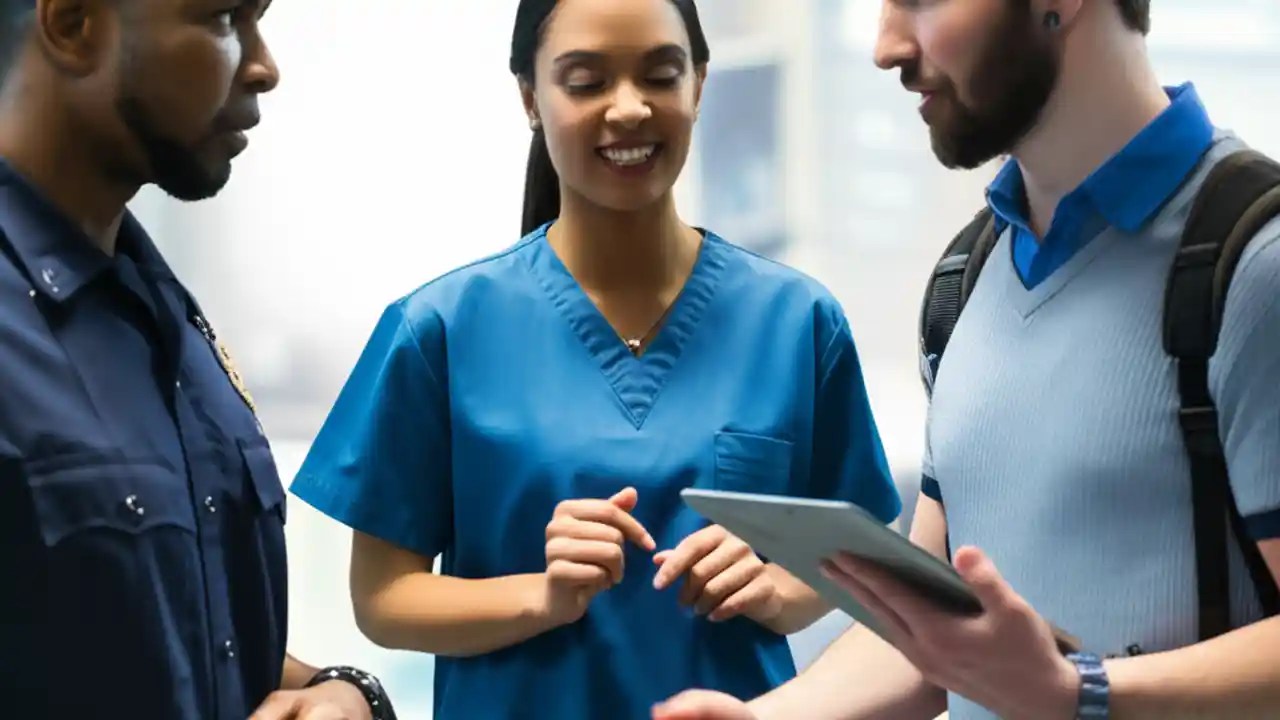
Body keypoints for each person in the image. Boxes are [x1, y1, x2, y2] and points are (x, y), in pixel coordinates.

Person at [652, 1, 1280, 719]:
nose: (887, 46)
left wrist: (1083, 696)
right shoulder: (965, 279)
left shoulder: (1257, 266)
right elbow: (929, 639)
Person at [287, 0, 902, 718]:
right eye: (586, 82)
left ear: (700, 84)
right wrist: (541, 597)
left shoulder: (798, 323)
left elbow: (856, 564)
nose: (631, 109)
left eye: (661, 75)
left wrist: (775, 590)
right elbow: (383, 599)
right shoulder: (440, 330)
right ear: (530, 98)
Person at [0, 1, 397, 718]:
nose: (264, 66)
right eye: (223, 17)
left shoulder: (160, 311)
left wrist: (340, 693)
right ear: (70, 24)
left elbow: (164, 632)